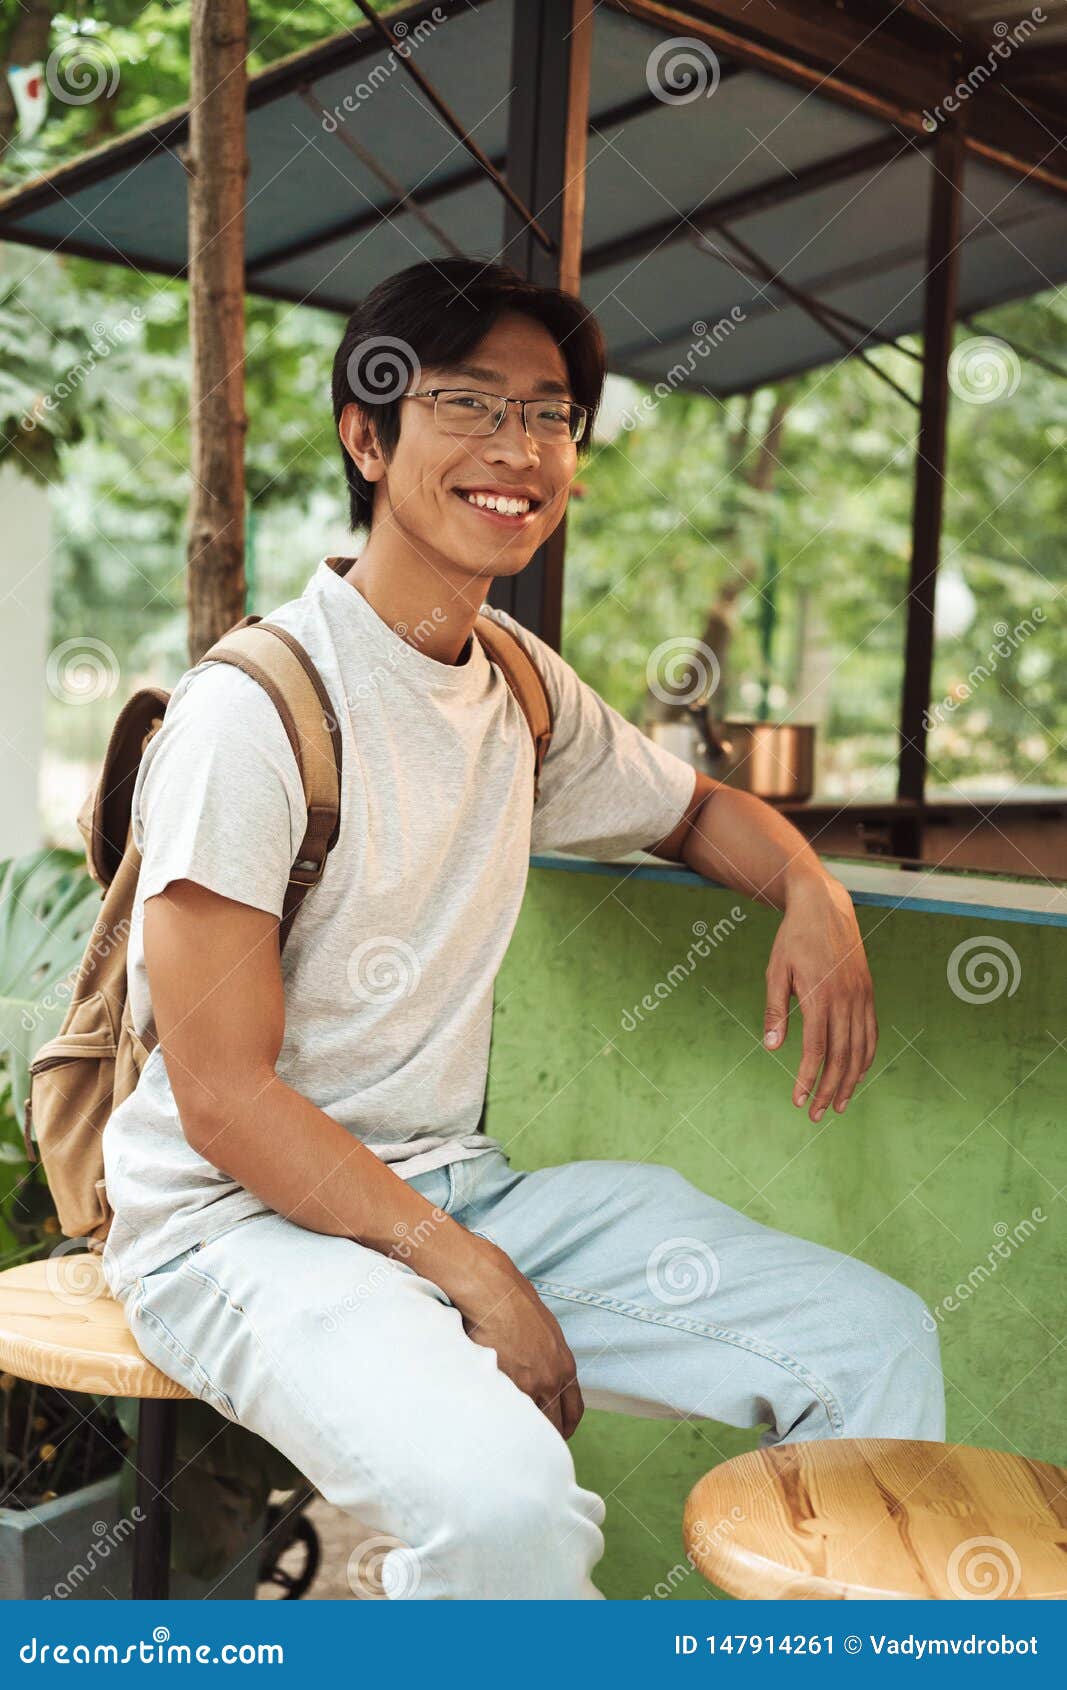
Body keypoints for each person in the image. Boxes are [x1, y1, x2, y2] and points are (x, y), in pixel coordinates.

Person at [102, 256, 945, 1600]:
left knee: (871, 1338)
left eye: (550, 417)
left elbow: (695, 807)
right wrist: (472, 1272)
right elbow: (220, 1095)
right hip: (236, 1227)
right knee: (510, 1514)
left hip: (456, 1187)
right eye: (472, 407)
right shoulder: (251, 713)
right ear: (367, 436)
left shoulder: (515, 682)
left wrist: (811, 888)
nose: (521, 451)